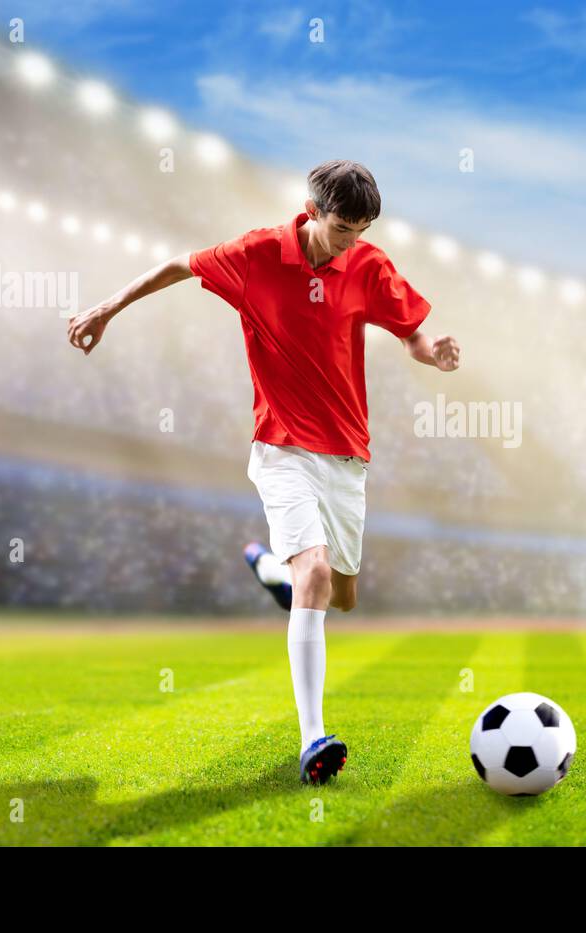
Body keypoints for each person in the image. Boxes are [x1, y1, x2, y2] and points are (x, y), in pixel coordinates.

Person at [66, 159, 461, 784]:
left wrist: (431, 353)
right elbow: (179, 265)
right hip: (281, 446)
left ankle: (275, 575)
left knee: (344, 597)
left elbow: (409, 330)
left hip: (347, 453)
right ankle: (313, 740)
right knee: (316, 576)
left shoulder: (369, 265)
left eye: (359, 230)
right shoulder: (255, 255)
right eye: (340, 228)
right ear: (311, 211)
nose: (348, 242)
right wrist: (107, 309)